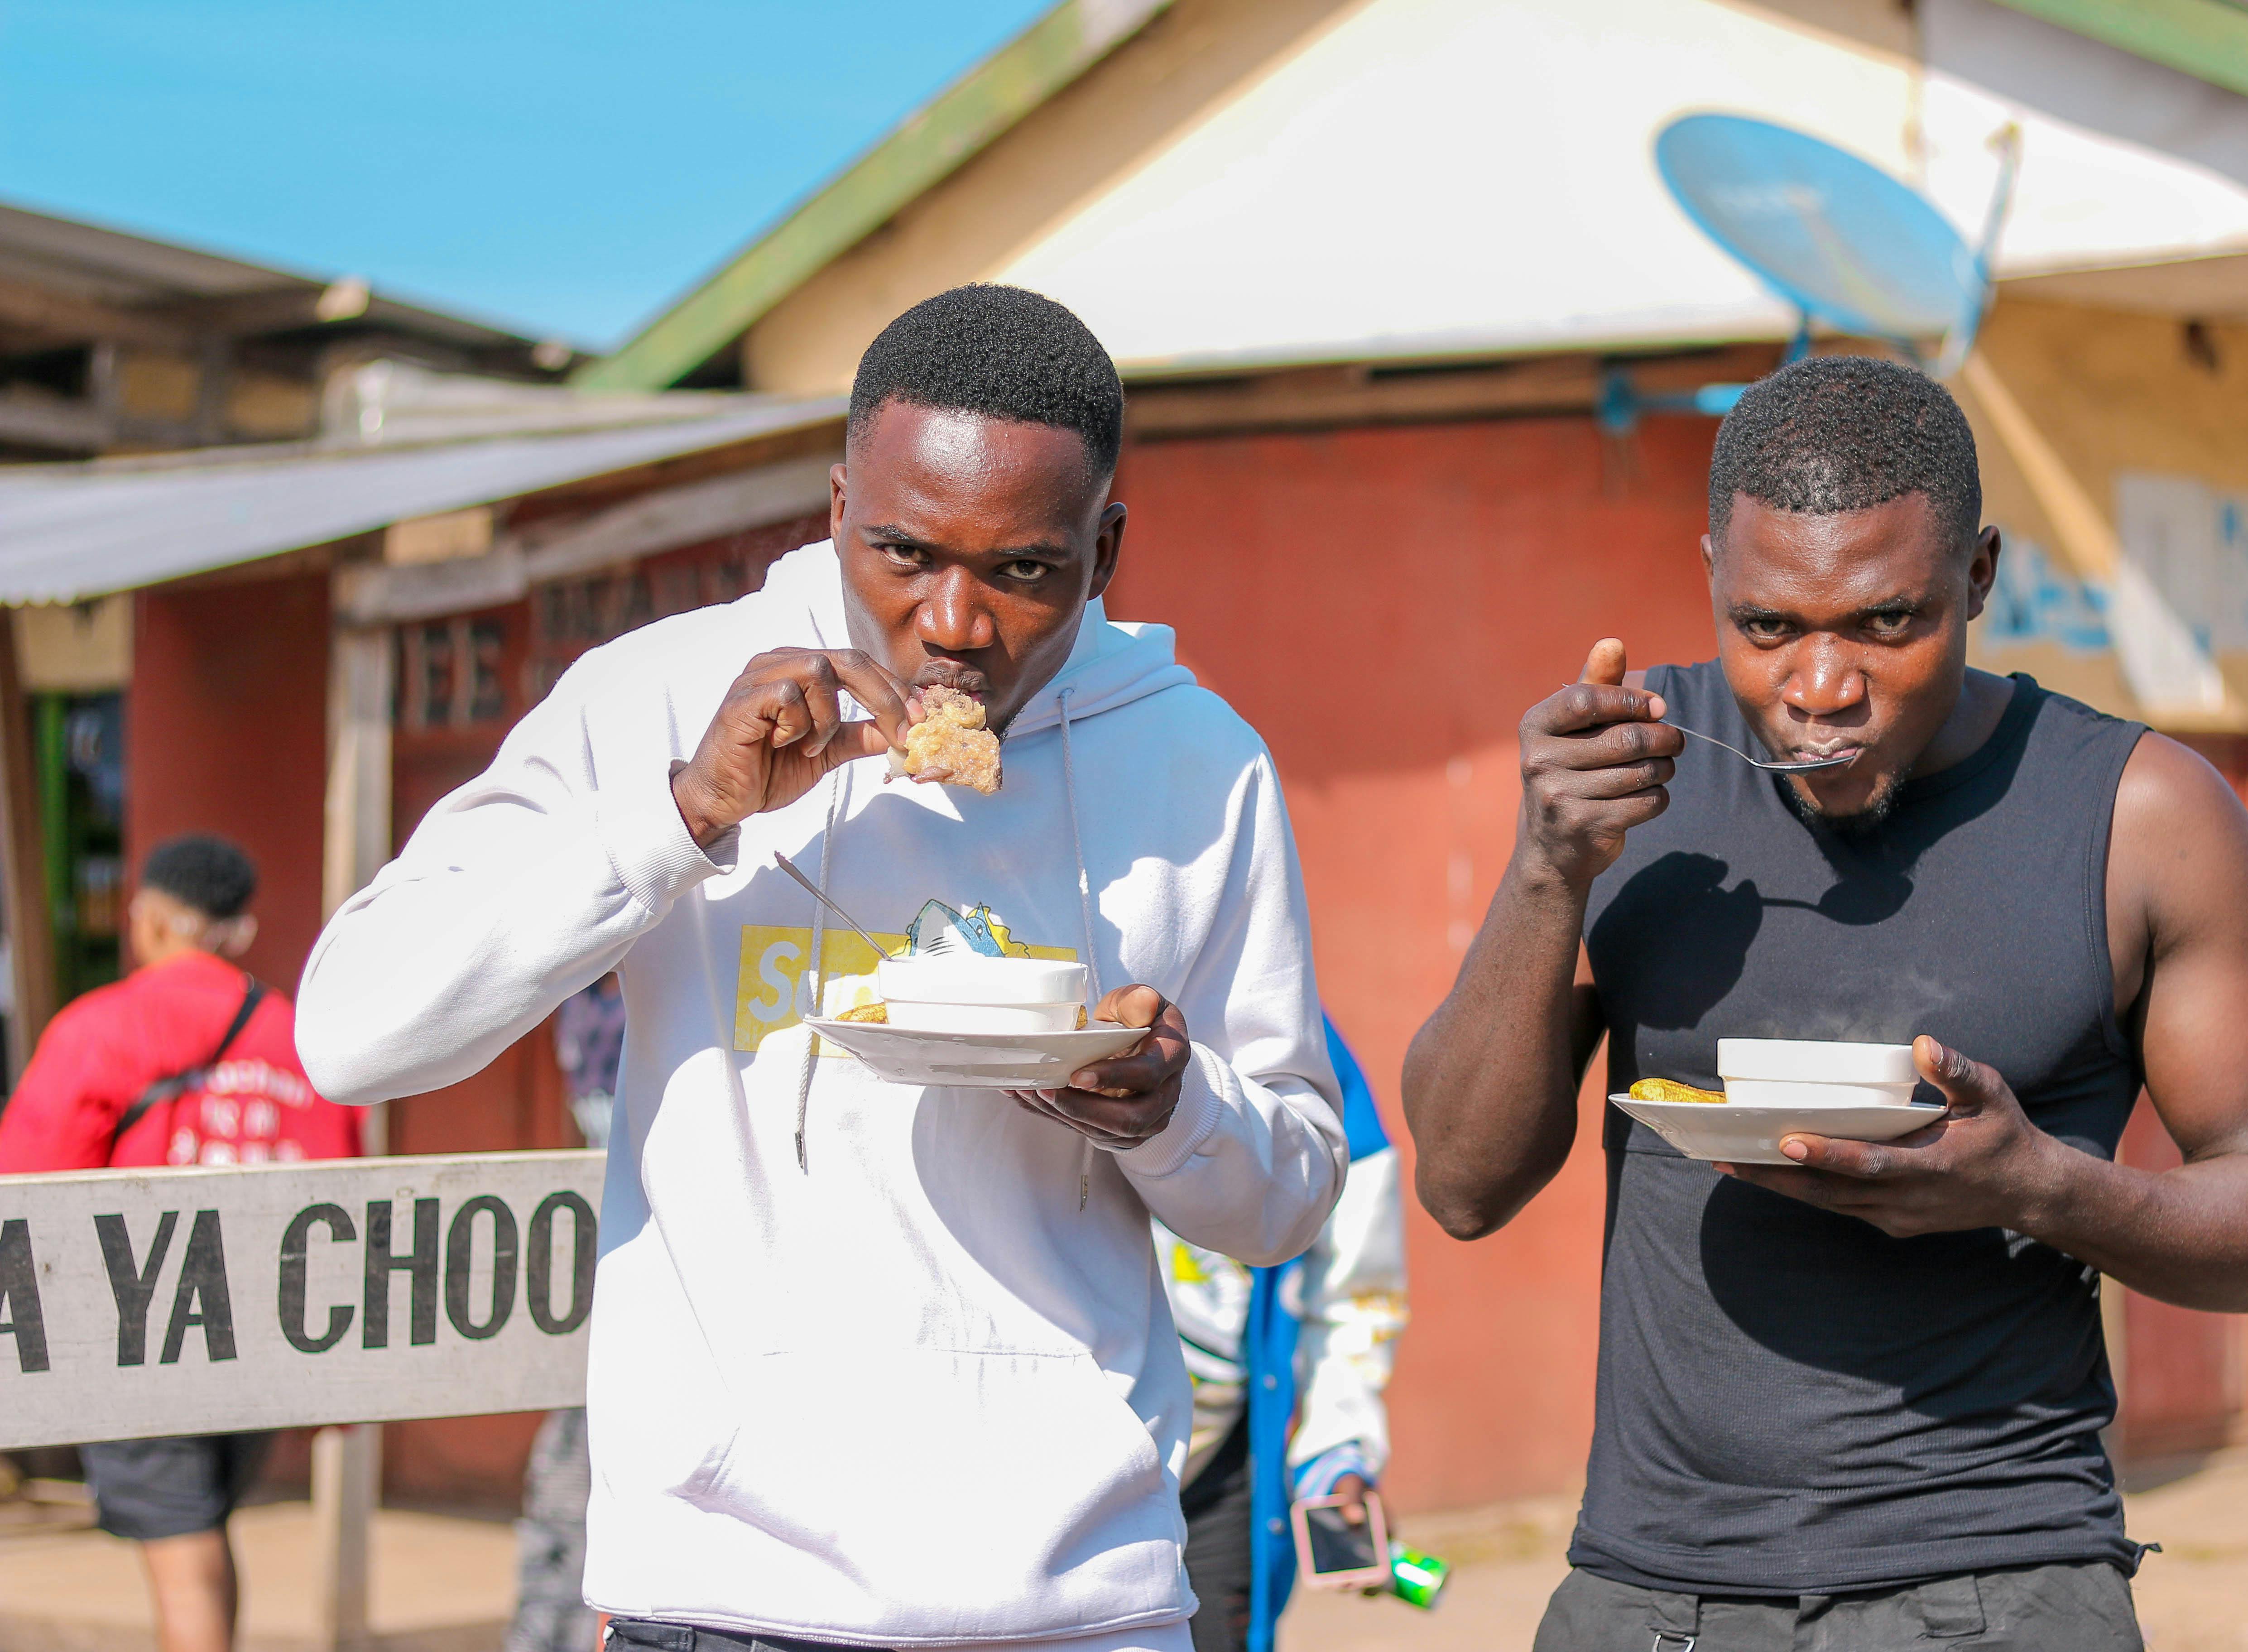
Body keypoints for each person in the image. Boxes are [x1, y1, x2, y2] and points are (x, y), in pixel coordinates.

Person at [297, 283, 1347, 1652]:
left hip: (1081, 1607)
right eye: (904, 551)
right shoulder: (664, 697)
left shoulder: (1198, 766)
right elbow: (354, 1032)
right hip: (725, 1594)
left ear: (1104, 552)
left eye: (1023, 569)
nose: (954, 623)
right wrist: (681, 816)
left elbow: (1292, 1197)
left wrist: (1171, 1109)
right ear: (836, 502)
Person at [1401, 354, 2248, 1652]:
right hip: (1652, 1592)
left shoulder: (2140, 817)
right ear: (1713, 580)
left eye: (1888, 624)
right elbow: (1460, 1184)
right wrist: (1545, 868)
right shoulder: (1631, 781)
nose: (1823, 688)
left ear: (1981, 579)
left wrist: (2038, 1187)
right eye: (1768, 626)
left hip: (2003, 1586)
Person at [0, 834, 358, 1652]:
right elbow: (342, 1185)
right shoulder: (296, 1034)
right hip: (268, 1329)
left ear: (153, 922)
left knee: (181, 1547)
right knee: (201, 1525)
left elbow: (29, 1181)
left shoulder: (100, 1026)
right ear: (237, 930)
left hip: (147, 1327)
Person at [1162, 1013, 1405, 1652]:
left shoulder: (1301, 1038)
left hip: (1218, 1473)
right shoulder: (1027, 996)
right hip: (1053, 1465)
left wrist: (1338, 1446)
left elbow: (1355, 1289)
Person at [503, 973, 625, 1652]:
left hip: (668, 1295)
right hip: (595, 1278)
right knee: (561, 1490)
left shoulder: (681, 979)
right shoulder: (576, 997)